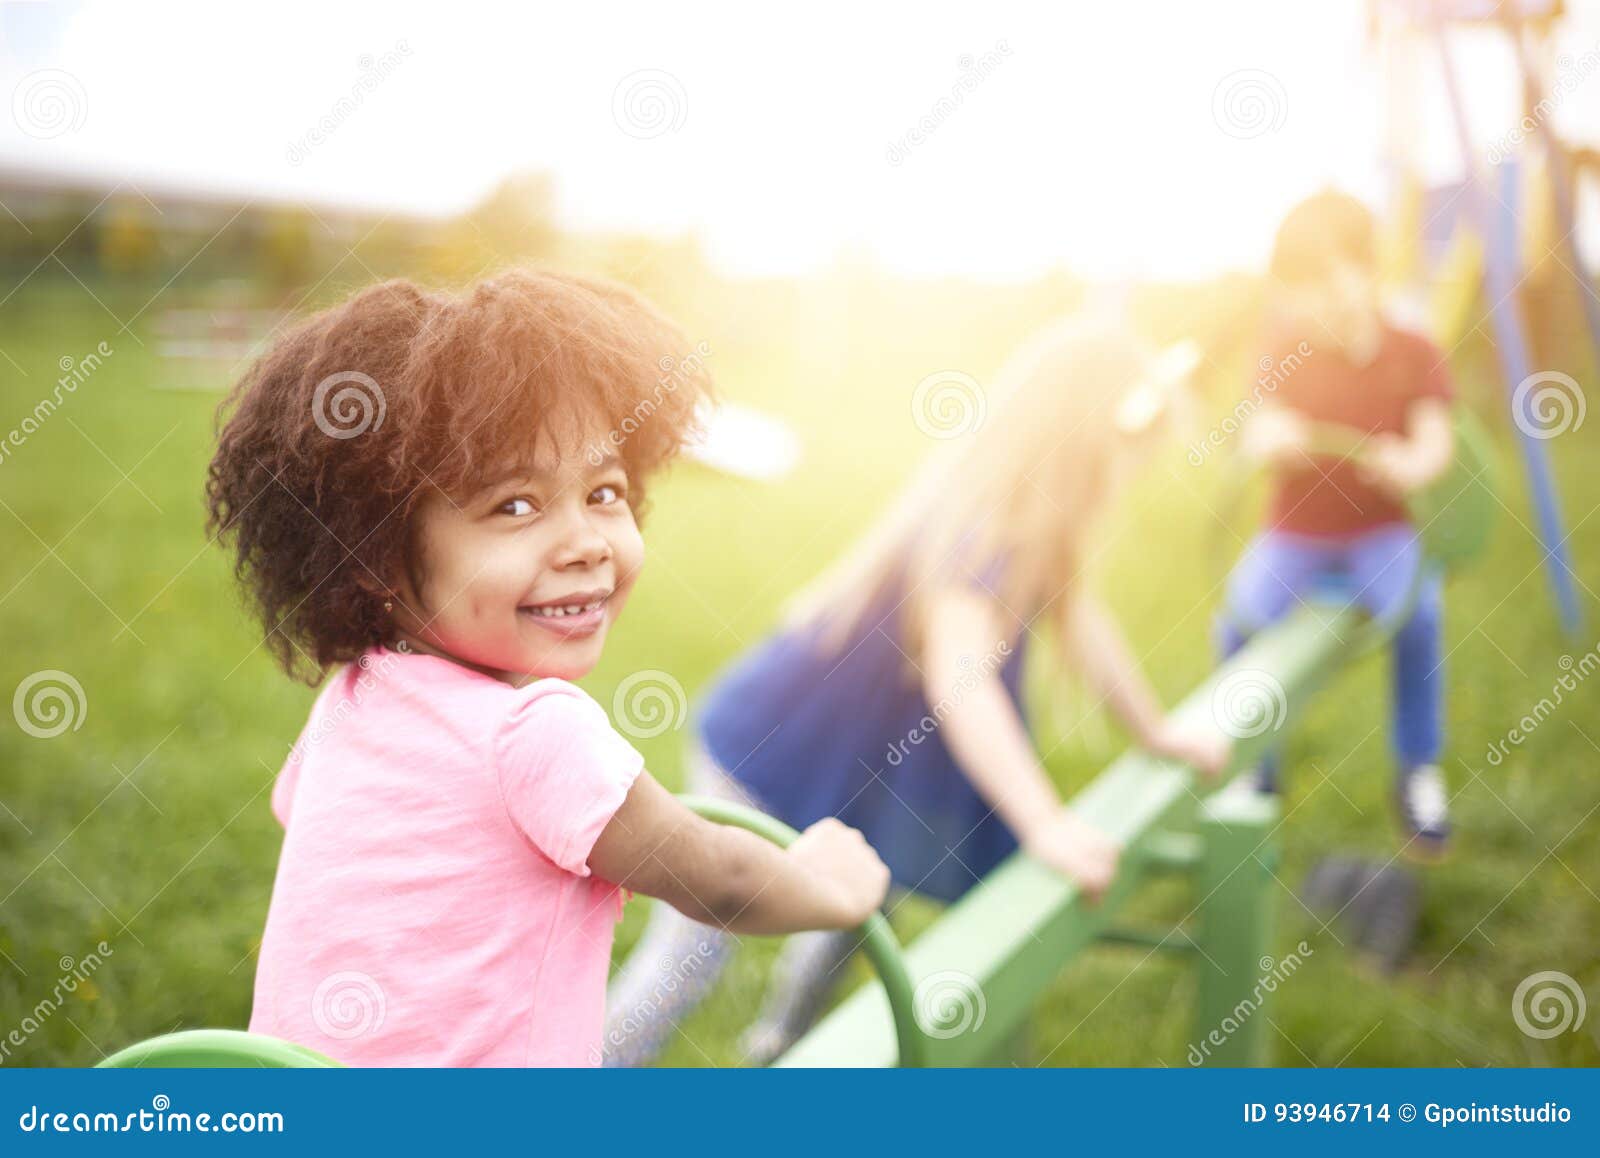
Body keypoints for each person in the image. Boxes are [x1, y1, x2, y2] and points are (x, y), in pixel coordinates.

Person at [206, 270, 890, 1066]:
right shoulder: (535, 734)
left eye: (606, 492)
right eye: (516, 507)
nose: (588, 541)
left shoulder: (350, 701)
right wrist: (830, 885)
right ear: (373, 559)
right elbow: (721, 879)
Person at [603, 315, 1231, 1067]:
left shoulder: (1041, 527)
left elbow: (1082, 624)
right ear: (1076, 437)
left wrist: (1154, 730)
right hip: (770, 753)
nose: (1131, 464)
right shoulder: (983, 527)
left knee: (852, 912)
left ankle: (779, 1053)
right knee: (692, 957)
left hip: (853, 771)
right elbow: (963, 683)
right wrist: (1045, 824)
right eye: (1124, 439)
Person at [1219, 190, 1456, 858]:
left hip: (1379, 531)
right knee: (1237, 622)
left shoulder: (1412, 349)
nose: (1311, 303)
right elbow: (1255, 426)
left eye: (1324, 282)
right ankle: (1252, 768)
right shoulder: (1285, 348)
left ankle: (1418, 768)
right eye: (1296, 290)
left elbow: (1436, 441)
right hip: (1295, 532)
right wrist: (1273, 436)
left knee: (1420, 614)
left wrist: (1410, 463)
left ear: (1366, 271)